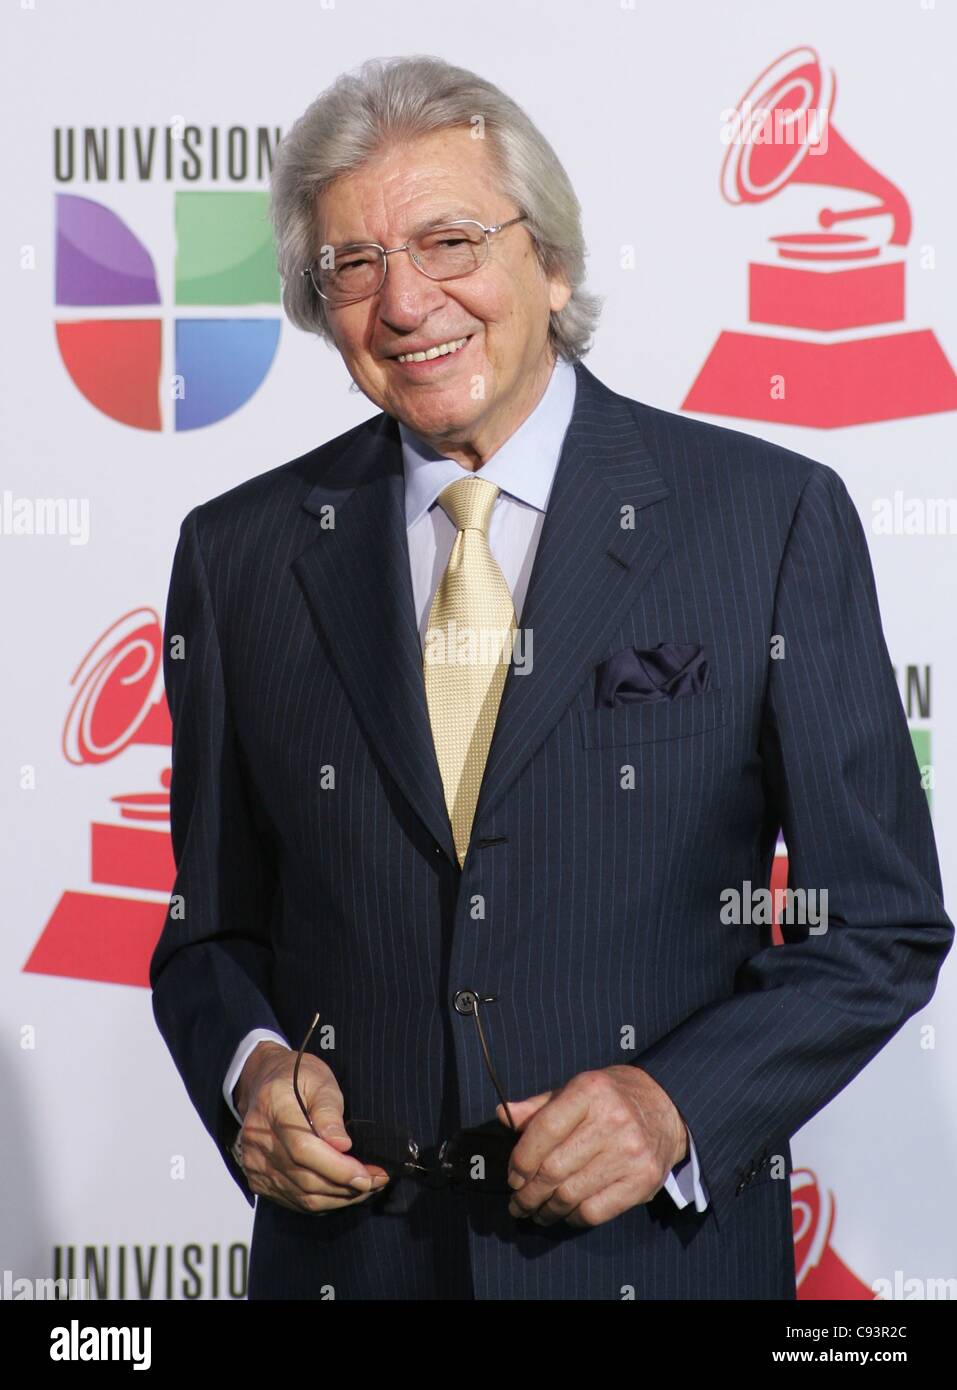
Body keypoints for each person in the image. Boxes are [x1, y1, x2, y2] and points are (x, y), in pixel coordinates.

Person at [149, 55, 953, 1301]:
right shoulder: (237, 555)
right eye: (354, 266)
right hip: (349, 1267)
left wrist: (674, 1104)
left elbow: (882, 922)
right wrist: (252, 1065)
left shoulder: (768, 520)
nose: (404, 302)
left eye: (449, 242)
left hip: (658, 1266)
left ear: (554, 264)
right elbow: (207, 931)